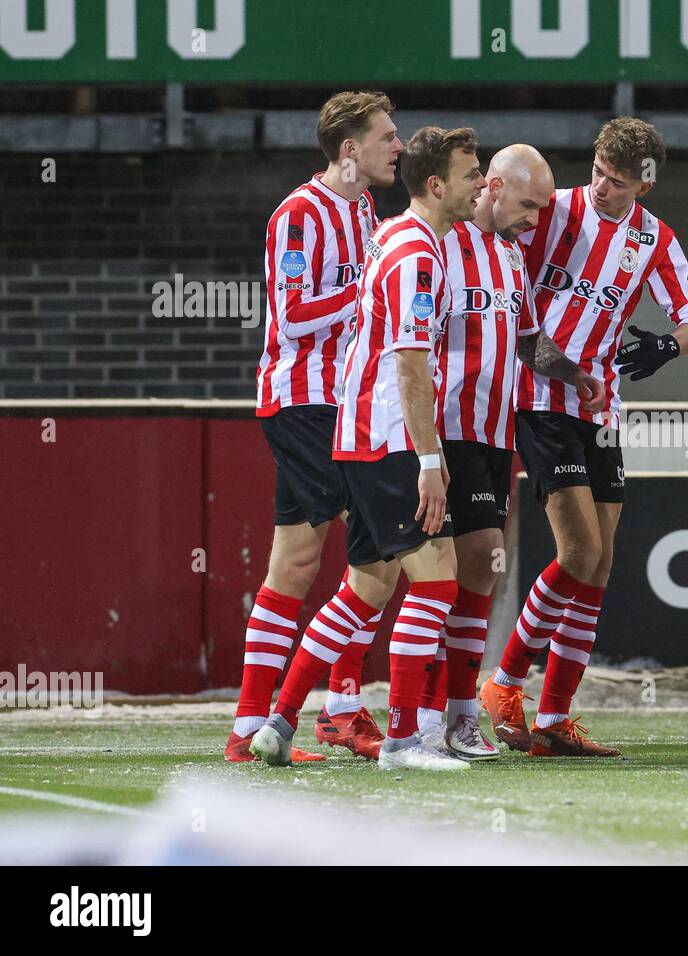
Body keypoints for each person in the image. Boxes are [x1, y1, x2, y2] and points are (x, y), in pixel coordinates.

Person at [251, 126, 486, 771]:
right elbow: (410, 360)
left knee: (366, 588)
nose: (481, 185)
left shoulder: (388, 233)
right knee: (439, 577)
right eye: (472, 175)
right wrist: (430, 460)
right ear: (437, 185)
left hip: (357, 435)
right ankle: (407, 743)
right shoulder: (415, 253)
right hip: (388, 440)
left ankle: (277, 720)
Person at [479, 118, 688, 757]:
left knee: (600, 564)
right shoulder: (552, 212)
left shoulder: (653, 240)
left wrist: (667, 345)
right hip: (541, 396)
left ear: (645, 184)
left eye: (618, 181)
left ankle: (553, 719)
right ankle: (504, 683)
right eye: (599, 173)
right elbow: (493, 249)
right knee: (578, 551)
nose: (602, 188)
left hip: (601, 409)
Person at [228, 91, 403, 763]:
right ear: (350, 148)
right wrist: (369, 288)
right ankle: (337, 708)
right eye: (386, 136)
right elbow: (294, 316)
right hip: (304, 403)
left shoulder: (364, 209)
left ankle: (248, 730)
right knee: (380, 554)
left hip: (344, 403)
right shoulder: (299, 215)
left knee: (295, 564)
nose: (397, 145)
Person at [419, 144, 605, 758]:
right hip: (442, 432)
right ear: (492, 187)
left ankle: (447, 714)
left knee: (476, 572)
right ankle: (402, 712)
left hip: (495, 433)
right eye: (528, 204)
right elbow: (404, 345)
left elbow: (528, 343)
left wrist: (574, 374)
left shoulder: (510, 257)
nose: (535, 218)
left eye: (543, 208)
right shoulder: (438, 245)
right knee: (437, 571)